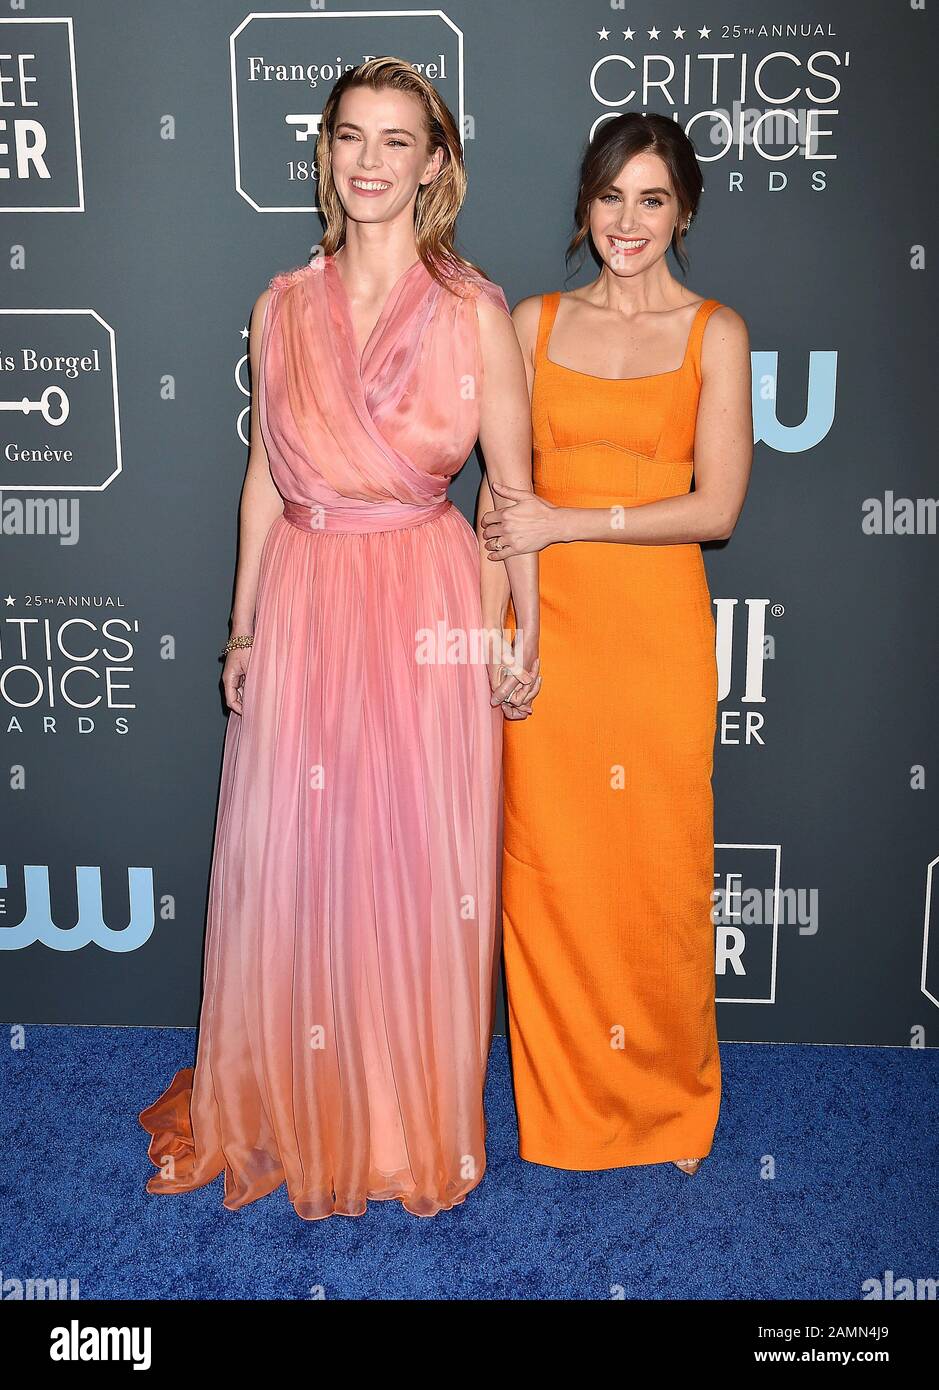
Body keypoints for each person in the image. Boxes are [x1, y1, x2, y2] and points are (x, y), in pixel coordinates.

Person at [139, 57, 539, 1221]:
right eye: (351, 137)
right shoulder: (279, 305)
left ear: (435, 164)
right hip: (309, 593)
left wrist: (521, 628)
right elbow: (265, 476)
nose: (370, 160)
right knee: (305, 860)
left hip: (427, 597)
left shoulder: (474, 310)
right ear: (327, 155)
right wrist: (243, 625)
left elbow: (510, 495)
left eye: (396, 140)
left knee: (415, 866)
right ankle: (294, 1098)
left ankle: (395, 1116)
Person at [481, 113, 752, 1177]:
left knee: (659, 878)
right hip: (547, 627)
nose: (626, 221)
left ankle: (667, 1107)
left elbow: (717, 508)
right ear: (584, 206)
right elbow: (501, 505)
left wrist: (571, 521)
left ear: (683, 209)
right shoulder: (529, 323)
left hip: (654, 638)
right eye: (609, 197)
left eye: (651, 199)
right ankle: (567, 1115)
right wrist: (497, 632)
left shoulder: (714, 332)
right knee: (548, 875)